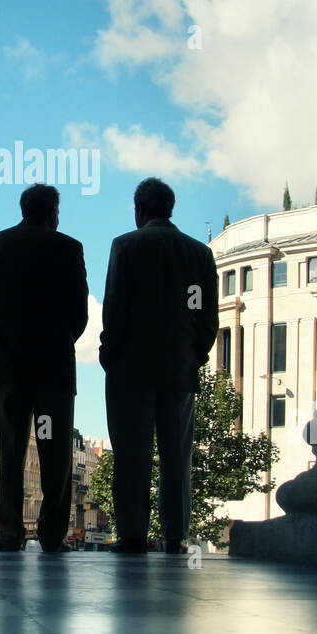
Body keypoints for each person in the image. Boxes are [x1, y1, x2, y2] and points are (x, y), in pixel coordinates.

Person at [99, 177, 218, 554]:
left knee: (132, 455)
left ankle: (133, 535)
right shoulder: (199, 254)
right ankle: (175, 536)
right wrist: (194, 355)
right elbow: (205, 315)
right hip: (178, 369)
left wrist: (108, 353)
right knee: (176, 457)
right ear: (170, 208)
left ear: (139, 211)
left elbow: (115, 308)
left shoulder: (126, 246)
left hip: (131, 368)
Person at [0, 184, 89, 553]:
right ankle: (52, 534)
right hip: (52, 369)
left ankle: (9, 531)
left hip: (7, 366)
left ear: (23, 209)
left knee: (10, 448)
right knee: (54, 454)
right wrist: (60, 340)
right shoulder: (68, 248)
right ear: (53, 212)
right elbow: (79, 312)